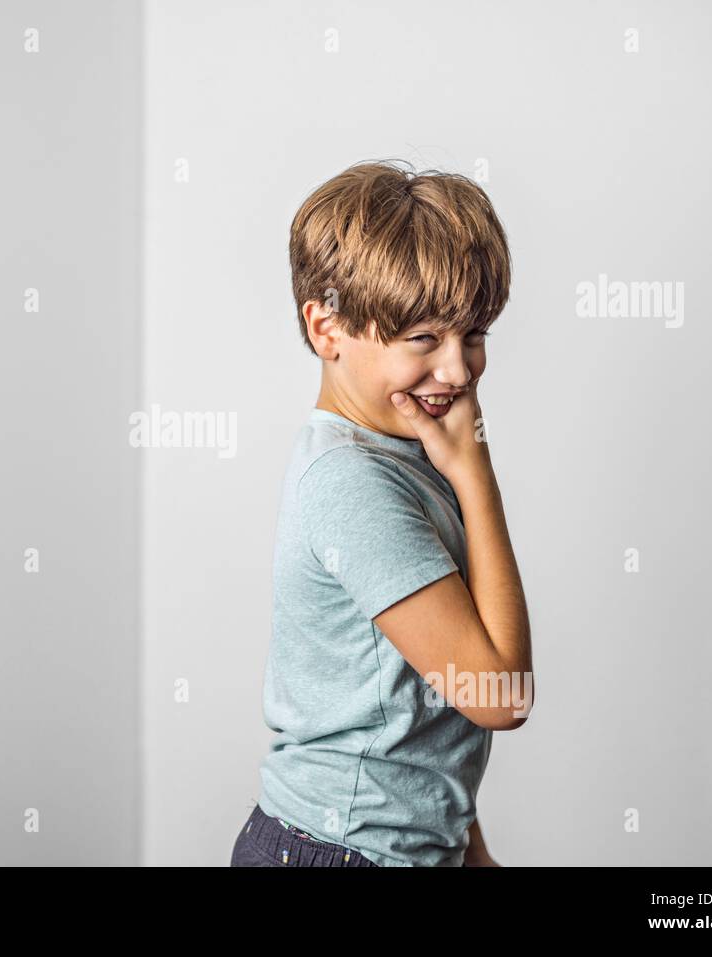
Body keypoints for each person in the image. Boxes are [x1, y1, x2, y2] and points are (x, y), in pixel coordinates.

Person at [231, 159, 534, 867]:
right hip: (341, 851)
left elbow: (414, 713)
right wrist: (474, 472)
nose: (458, 370)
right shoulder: (352, 482)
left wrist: (468, 847)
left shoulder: (399, 450)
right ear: (328, 325)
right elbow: (498, 694)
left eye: (475, 333)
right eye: (424, 338)